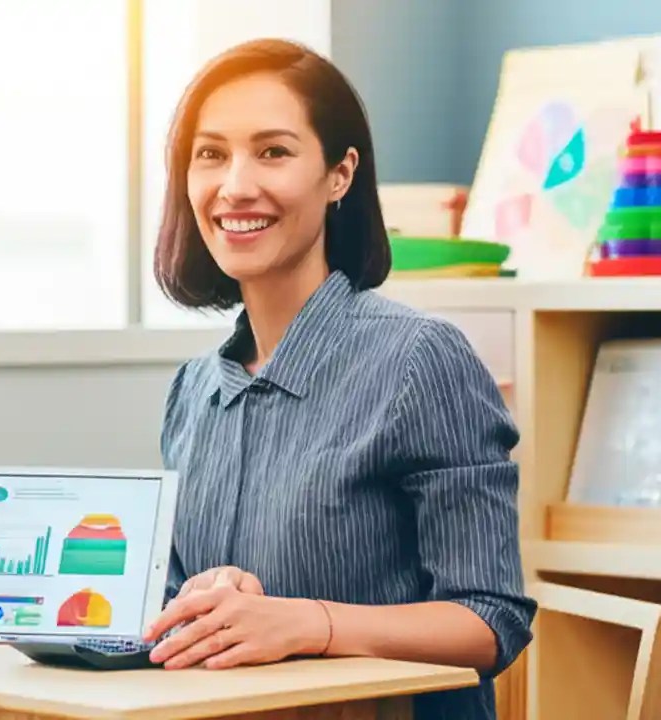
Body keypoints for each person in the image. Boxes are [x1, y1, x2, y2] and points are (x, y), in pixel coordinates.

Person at [138, 38, 535, 720]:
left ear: (339, 175)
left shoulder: (421, 359)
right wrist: (209, 598)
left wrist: (311, 624)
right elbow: (177, 617)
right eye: (211, 154)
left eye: (274, 151)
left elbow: (490, 619)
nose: (235, 185)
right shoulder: (194, 392)